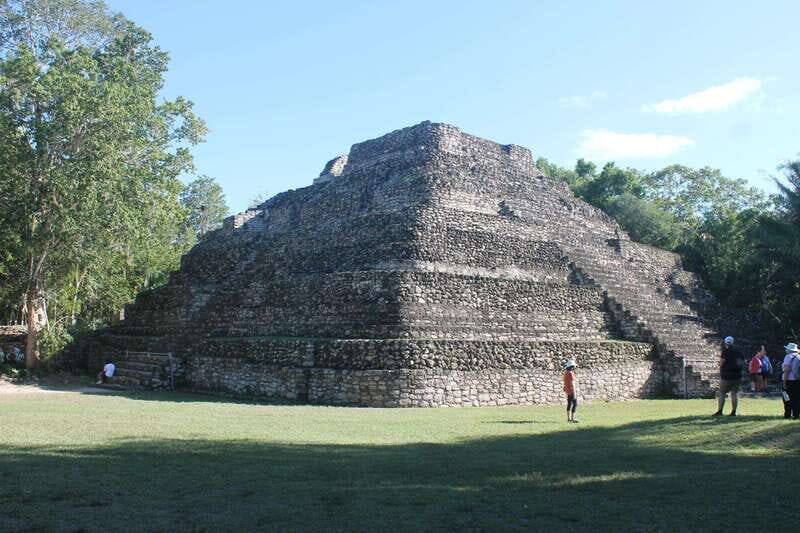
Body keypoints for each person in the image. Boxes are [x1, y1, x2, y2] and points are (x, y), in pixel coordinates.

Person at [712, 336, 744, 417]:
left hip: (726, 376)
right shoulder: (738, 352)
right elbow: (741, 363)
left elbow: (721, 363)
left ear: (725, 343)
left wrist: (719, 365)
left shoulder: (725, 352)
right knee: (734, 394)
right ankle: (733, 412)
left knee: (722, 393)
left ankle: (720, 411)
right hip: (737, 376)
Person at [781, 343, 800, 420]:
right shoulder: (799, 356)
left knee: (786, 398)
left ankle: (787, 414)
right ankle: (796, 415)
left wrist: (784, 383)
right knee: (796, 398)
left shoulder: (788, 356)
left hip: (789, 381)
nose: (786, 350)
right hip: (797, 380)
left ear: (789, 350)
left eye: (787, 349)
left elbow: (786, 370)